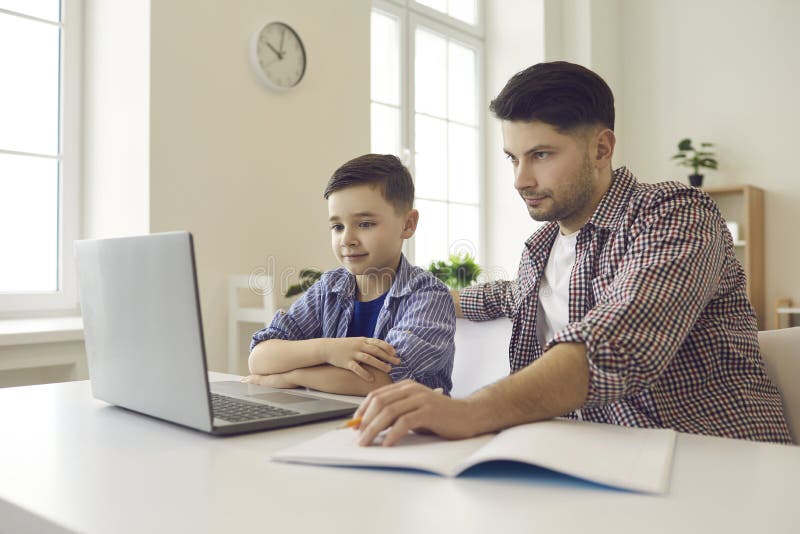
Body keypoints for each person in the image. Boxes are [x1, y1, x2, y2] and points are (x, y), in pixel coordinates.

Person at [353, 61, 791, 446]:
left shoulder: (673, 213)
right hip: (596, 458)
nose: (520, 180)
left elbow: (617, 340)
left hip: (717, 460)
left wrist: (468, 411)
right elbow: (500, 297)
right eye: (512, 159)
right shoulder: (540, 251)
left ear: (601, 149)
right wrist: (404, 289)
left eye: (541, 155)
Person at [245, 154, 455, 396]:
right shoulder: (328, 289)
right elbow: (259, 358)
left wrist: (292, 376)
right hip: (330, 424)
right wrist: (328, 350)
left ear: (407, 224)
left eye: (365, 224)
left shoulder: (429, 296)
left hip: (411, 429)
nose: (347, 239)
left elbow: (381, 380)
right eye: (337, 227)